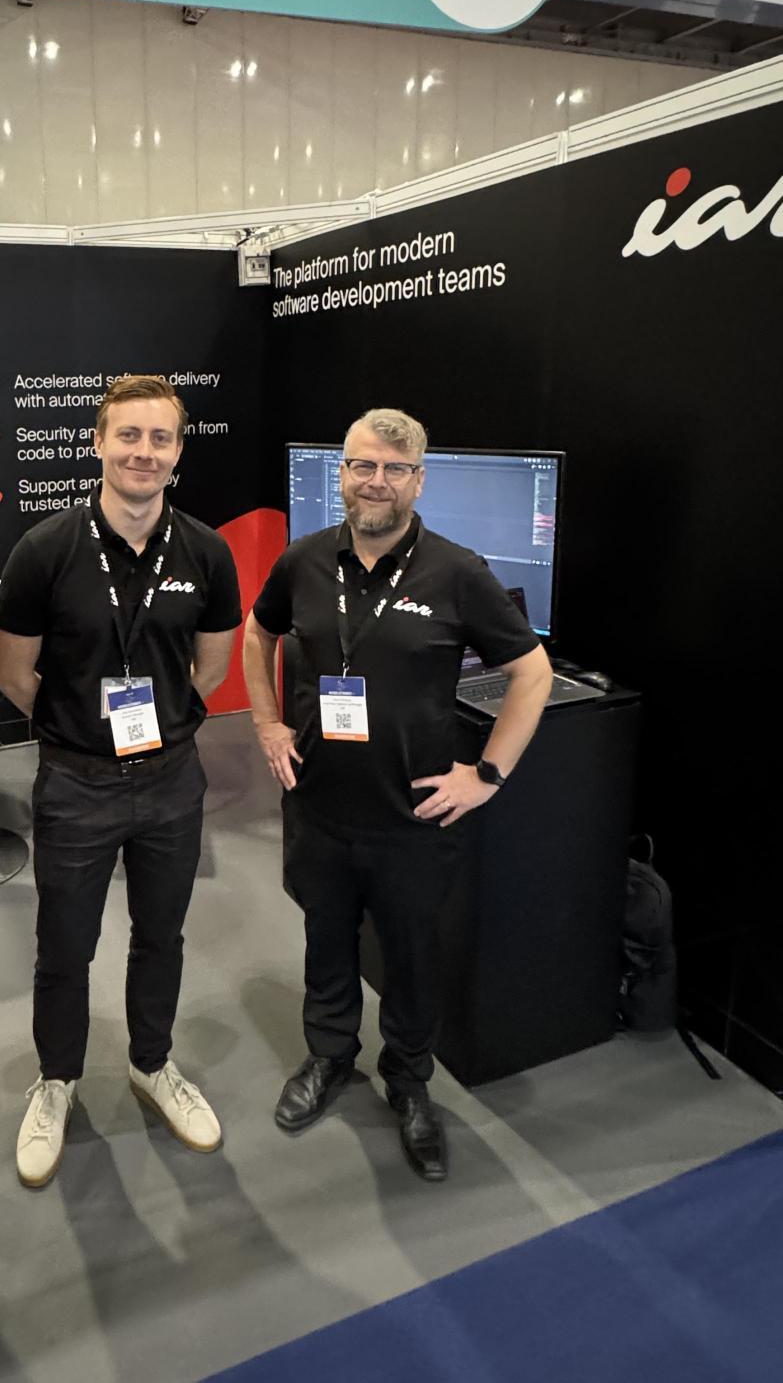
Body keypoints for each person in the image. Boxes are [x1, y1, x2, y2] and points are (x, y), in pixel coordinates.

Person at [242, 408, 552, 1181]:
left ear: (417, 480)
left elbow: (532, 673)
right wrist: (267, 723)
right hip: (317, 803)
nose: (374, 481)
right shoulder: (303, 561)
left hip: (413, 817)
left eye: (393, 468)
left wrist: (485, 774)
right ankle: (328, 1055)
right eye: (361, 465)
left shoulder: (457, 572)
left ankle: (408, 1080)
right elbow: (257, 632)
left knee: (413, 957)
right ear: (341, 474)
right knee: (325, 937)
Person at [0, 374, 242, 1188]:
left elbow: (212, 665)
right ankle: (55, 1080)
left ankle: (152, 1063)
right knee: (64, 945)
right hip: (76, 781)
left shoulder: (204, 551)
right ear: (97, 442)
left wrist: (158, 721)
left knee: (160, 933)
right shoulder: (44, 549)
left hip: (171, 778)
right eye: (127, 434)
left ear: (177, 451)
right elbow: (12, 673)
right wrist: (81, 729)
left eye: (159, 437)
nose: (143, 451)